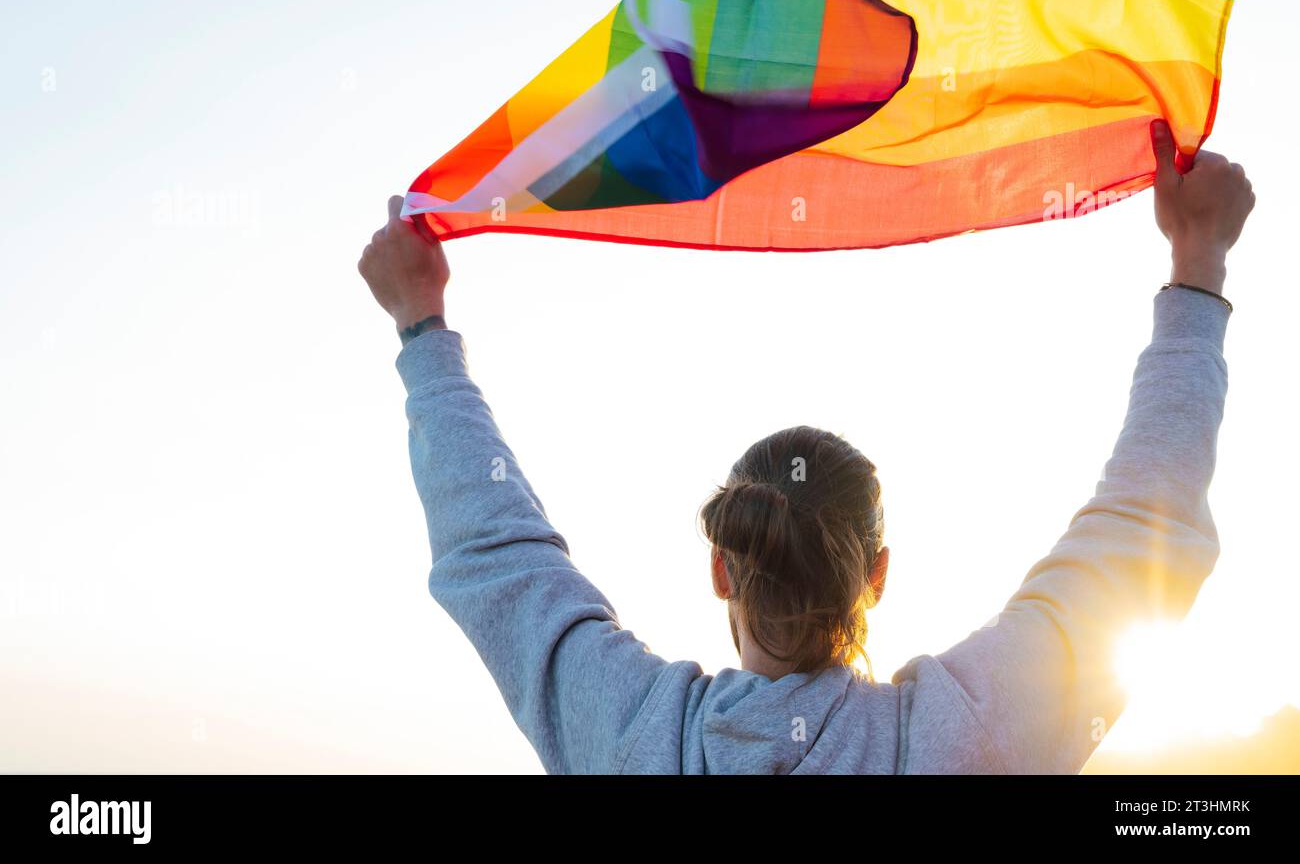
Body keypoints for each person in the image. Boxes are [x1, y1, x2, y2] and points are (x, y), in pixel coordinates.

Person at [358, 121, 1254, 774]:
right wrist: (1198, 260)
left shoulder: (635, 737)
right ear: (879, 573)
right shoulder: (956, 740)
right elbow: (1148, 530)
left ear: (722, 565)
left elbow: (498, 556)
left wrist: (421, 325)